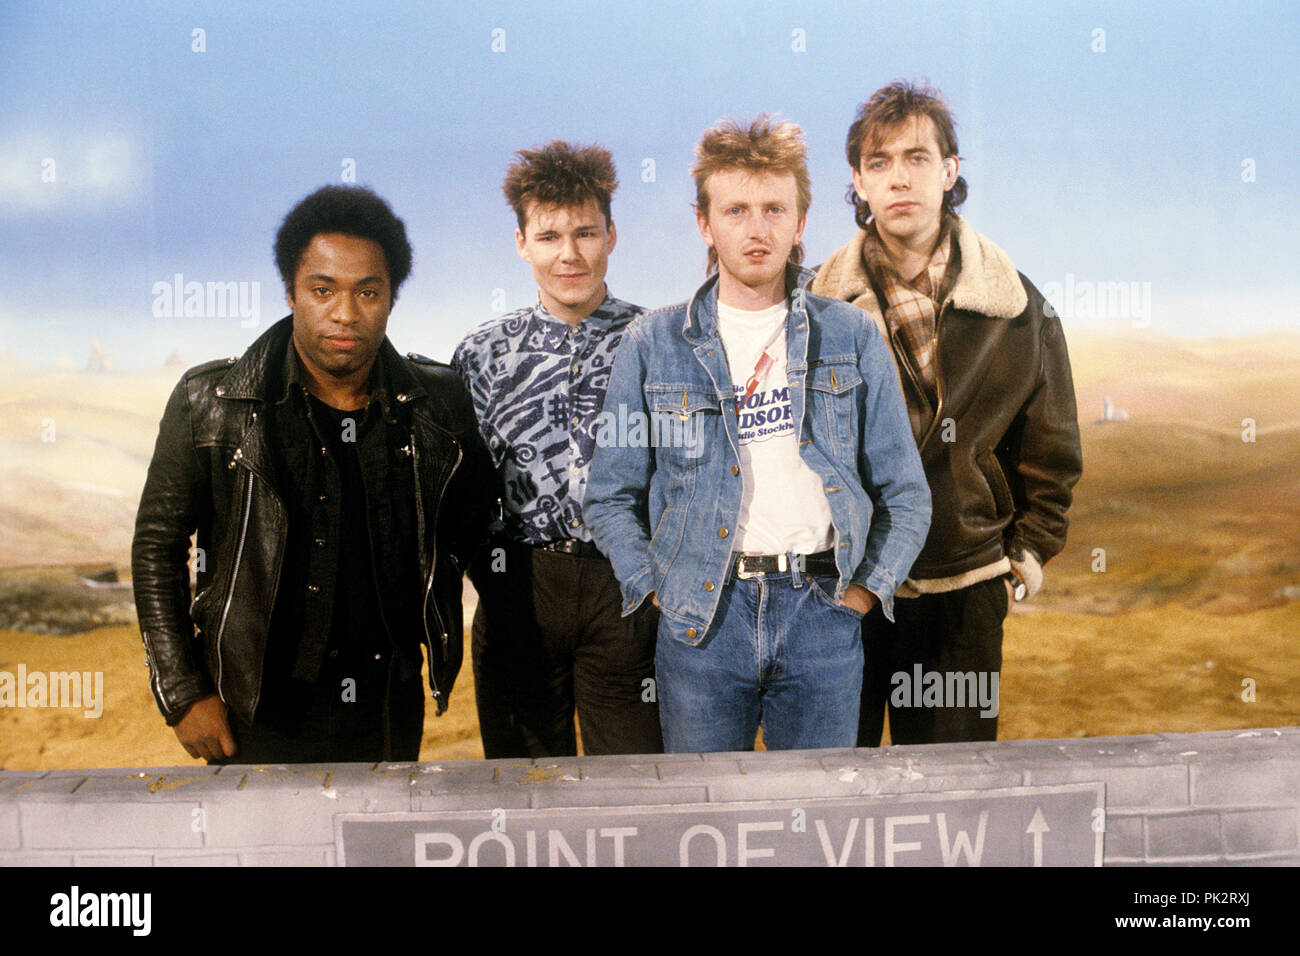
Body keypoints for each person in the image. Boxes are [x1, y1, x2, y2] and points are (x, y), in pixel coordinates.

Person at [583, 116, 931, 753]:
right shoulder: (652, 344)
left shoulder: (851, 337)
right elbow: (609, 495)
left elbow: (906, 494)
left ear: (800, 223)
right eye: (735, 209)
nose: (756, 227)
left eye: (775, 208)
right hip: (702, 623)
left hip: (822, 612)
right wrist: (659, 590)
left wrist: (863, 593)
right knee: (709, 824)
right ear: (704, 224)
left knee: (819, 826)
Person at [132, 185, 494, 764]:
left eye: (367, 291)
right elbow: (157, 548)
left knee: (374, 854)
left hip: (387, 703)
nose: (345, 313)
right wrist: (183, 692)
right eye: (322, 290)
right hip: (253, 706)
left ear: (392, 298)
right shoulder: (213, 402)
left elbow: (474, 531)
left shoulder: (437, 404)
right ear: (291, 292)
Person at [810, 80, 1083, 744]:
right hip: (841, 588)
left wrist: (1025, 553)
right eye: (880, 163)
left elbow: (1051, 446)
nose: (899, 177)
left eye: (917, 157)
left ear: (950, 170)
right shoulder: (813, 306)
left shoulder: (1017, 305)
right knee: (831, 791)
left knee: (952, 801)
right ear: (858, 181)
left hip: (966, 585)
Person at [451, 141, 662, 757]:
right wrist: (487, 577)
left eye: (585, 234)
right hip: (517, 588)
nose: (568, 254)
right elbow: (460, 489)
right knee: (522, 796)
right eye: (548, 237)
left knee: (635, 791)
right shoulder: (481, 353)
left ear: (611, 236)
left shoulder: (658, 341)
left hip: (626, 589)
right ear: (521, 243)